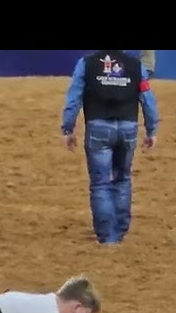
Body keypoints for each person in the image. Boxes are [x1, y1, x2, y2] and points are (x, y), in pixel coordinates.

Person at [60, 50, 161, 245]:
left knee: (100, 184)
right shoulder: (135, 65)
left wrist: (68, 128)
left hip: (98, 127)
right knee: (123, 179)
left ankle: (107, 236)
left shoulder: (87, 63)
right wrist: (151, 129)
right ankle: (120, 231)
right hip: (128, 127)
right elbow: (147, 98)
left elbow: (74, 97)